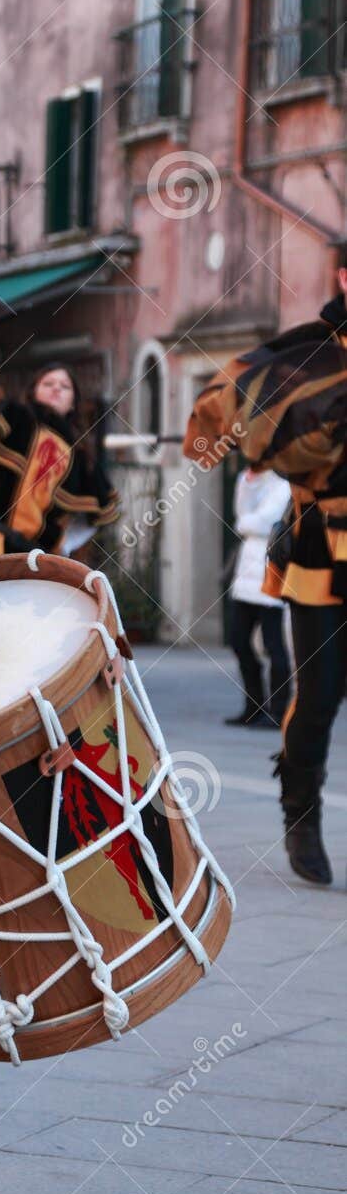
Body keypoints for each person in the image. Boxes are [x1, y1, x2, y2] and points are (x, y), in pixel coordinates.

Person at [185, 240, 347, 886]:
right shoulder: (305, 354)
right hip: (323, 548)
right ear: (343, 277)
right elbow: (231, 429)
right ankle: (299, 809)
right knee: (319, 694)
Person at [0, 365, 118, 558]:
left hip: (33, 555)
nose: (56, 388)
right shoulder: (14, 416)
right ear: (33, 392)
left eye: (65, 386)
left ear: (73, 402)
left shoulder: (80, 453)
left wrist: (64, 545)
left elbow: (97, 511)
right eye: (48, 383)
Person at [223, 466, 291, 728]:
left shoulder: (283, 485)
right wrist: (248, 483)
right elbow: (241, 516)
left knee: (274, 645)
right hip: (246, 574)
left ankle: (279, 711)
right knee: (238, 640)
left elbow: (263, 523)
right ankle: (254, 706)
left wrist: (246, 522)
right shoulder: (247, 479)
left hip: (270, 572)